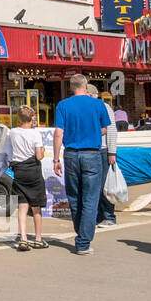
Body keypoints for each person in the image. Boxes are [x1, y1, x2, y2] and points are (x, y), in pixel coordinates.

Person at [53, 73, 111, 254]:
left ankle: (81, 234)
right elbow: (104, 129)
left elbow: (58, 133)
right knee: (90, 199)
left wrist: (55, 158)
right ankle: (83, 241)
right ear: (86, 86)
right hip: (92, 154)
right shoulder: (98, 104)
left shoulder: (63, 105)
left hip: (71, 154)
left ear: (71, 87)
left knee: (74, 197)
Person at [8, 104, 49, 250]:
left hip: (19, 171)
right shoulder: (35, 134)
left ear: (18, 119)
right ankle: (38, 238)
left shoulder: (12, 133)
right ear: (32, 119)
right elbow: (39, 156)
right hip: (33, 171)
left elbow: (8, 151)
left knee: (22, 206)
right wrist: (43, 150)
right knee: (36, 207)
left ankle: (23, 238)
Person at [87, 84, 119, 227]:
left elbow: (111, 130)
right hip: (91, 150)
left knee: (105, 185)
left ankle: (109, 216)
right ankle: (99, 215)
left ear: (92, 95)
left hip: (103, 150)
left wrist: (112, 152)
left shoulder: (105, 108)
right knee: (93, 186)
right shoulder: (87, 108)